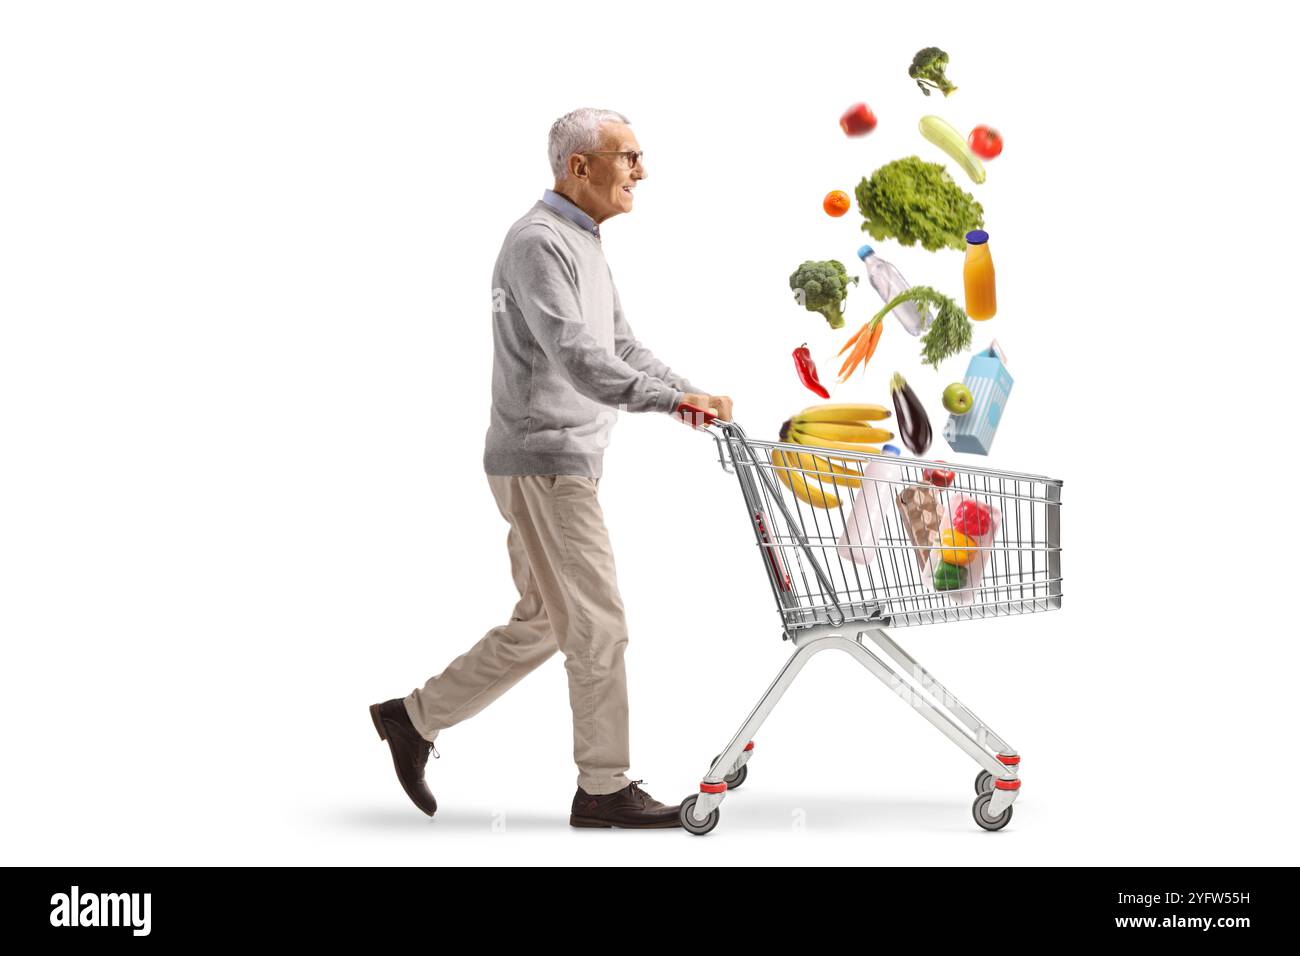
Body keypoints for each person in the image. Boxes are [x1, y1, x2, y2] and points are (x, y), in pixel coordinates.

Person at [370, 107, 733, 828]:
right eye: (629, 156)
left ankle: (413, 718)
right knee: (598, 623)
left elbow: (620, 345)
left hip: (553, 459)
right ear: (579, 166)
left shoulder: (580, 241)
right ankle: (602, 788)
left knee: (546, 620)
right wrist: (665, 401)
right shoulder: (538, 242)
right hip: (547, 461)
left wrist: (684, 392)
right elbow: (577, 355)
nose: (641, 171)